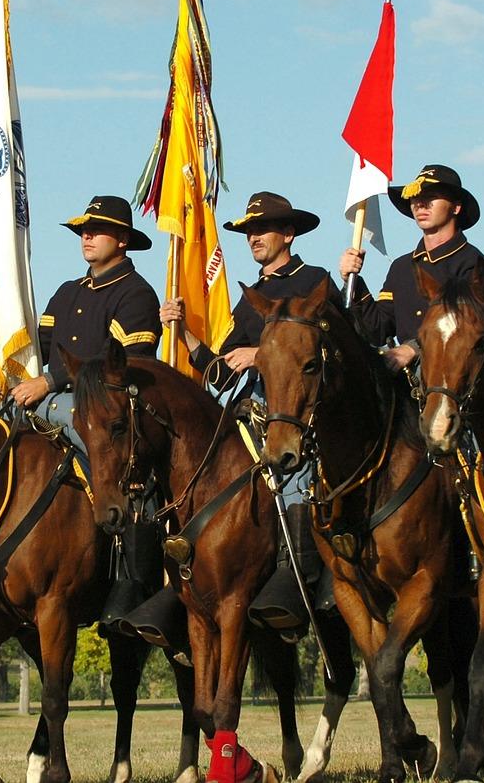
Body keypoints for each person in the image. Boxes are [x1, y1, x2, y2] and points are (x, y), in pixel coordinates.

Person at [0, 194, 162, 633]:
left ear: (123, 240)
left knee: (119, 470)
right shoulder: (68, 292)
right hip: (45, 398)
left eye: (95, 230)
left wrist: (51, 381)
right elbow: (34, 346)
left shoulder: (136, 293)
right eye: (82, 231)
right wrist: (0, 303)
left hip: (101, 408)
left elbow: (127, 361)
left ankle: (131, 577)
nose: (86, 236)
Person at [160, 191, 333, 635]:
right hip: (247, 409)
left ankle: (295, 581)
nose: (252, 237)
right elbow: (219, 371)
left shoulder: (314, 282)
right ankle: (182, 575)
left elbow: (323, 352)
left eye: (262, 229)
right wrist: (185, 335)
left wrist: (262, 354)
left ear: (288, 233)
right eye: (248, 231)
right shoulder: (251, 297)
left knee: (294, 476)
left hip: (299, 411)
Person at [341, 165, 484, 370]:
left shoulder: (474, 263)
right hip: (405, 380)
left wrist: (415, 348)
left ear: (456, 207)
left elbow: (473, 331)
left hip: (454, 376)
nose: (420, 204)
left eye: (431, 197)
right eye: (415, 198)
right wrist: (353, 281)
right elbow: (378, 330)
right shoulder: (401, 267)